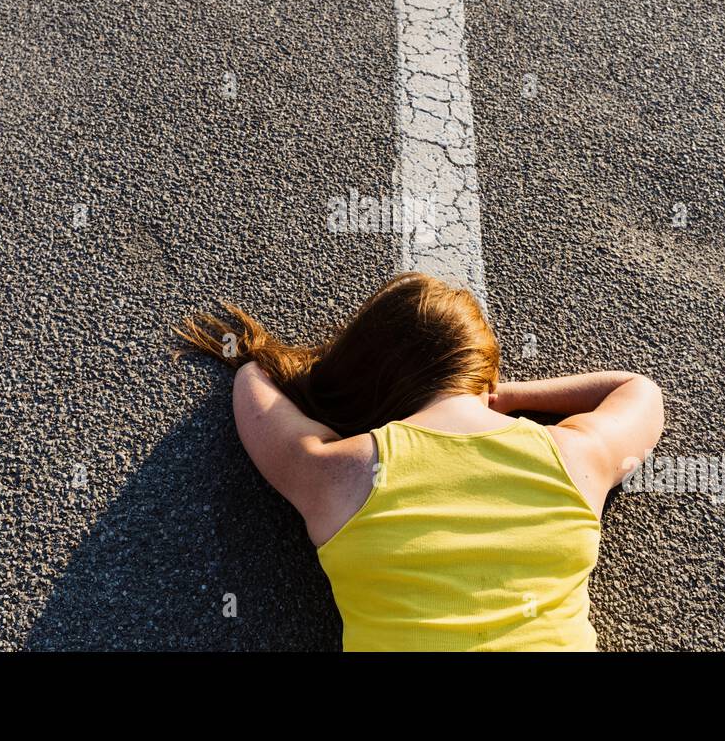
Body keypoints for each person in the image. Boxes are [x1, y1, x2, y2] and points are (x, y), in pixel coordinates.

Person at [175, 272, 664, 650]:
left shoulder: (335, 471)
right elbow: (637, 389)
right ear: (484, 376)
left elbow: (252, 379)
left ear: (373, 382)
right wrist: (505, 397)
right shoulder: (575, 456)